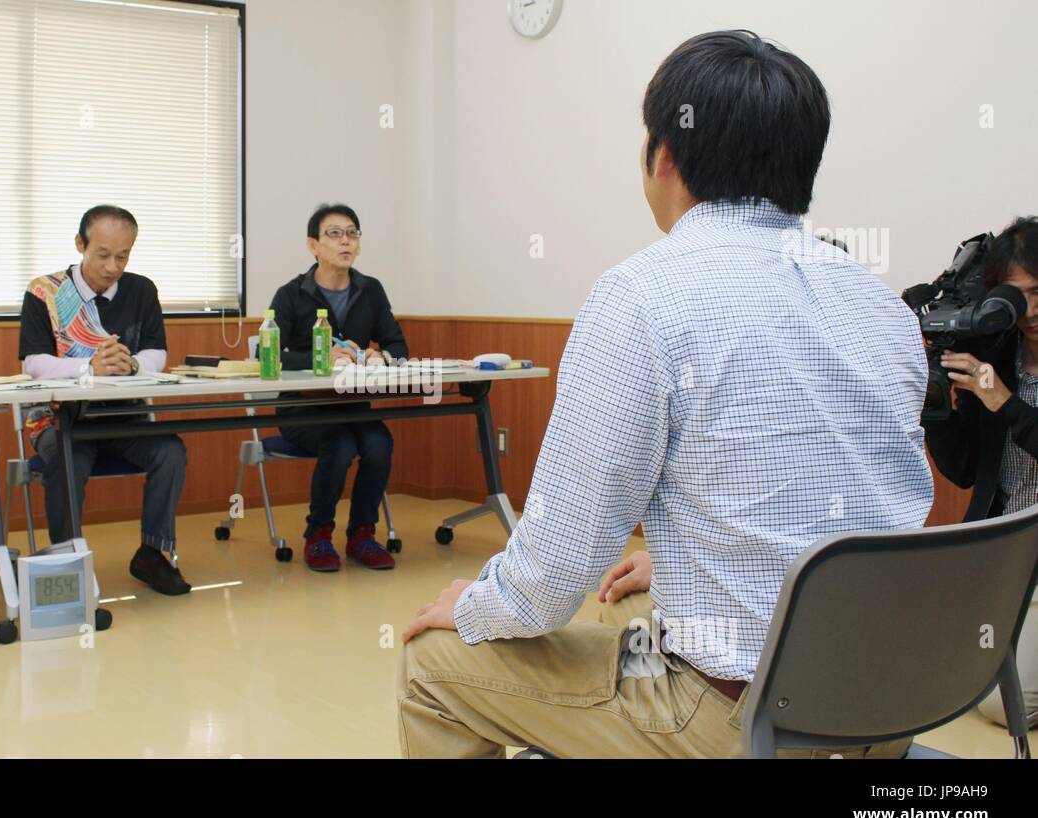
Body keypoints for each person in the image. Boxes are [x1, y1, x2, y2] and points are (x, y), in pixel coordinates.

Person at [397, 30, 935, 758]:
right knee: (633, 600)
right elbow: (849, 498)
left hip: (748, 727)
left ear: (664, 157)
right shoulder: (880, 305)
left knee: (431, 660)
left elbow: (554, 572)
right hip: (885, 710)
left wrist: (476, 604)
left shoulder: (641, 295)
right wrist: (688, 560)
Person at [18, 205, 191, 595]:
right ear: (80, 244)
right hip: (60, 419)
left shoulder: (141, 290)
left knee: (170, 453)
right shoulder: (45, 291)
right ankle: (68, 562)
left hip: (123, 418)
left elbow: (157, 354)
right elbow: (34, 363)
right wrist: (89, 368)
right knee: (69, 459)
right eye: (103, 254)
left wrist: (130, 365)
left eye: (123, 256)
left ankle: (152, 553)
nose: (113, 266)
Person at [924, 215, 1038, 729]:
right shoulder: (996, 353)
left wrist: (1004, 402)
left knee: (1002, 706)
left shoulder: (999, 380)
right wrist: (936, 411)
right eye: (1017, 297)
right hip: (1004, 549)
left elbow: (1009, 411)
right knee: (932, 668)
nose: (1031, 310)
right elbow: (967, 471)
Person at [268, 204, 407, 572]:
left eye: (352, 233)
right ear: (313, 245)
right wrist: (319, 359)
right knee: (340, 444)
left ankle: (362, 534)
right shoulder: (291, 294)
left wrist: (381, 357)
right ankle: (318, 534)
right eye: (334, 233)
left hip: (352, 405)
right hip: (301, 409)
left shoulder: (371, 290)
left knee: (379, 443)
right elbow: (270, 355)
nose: (345, 241)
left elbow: (398, 346)